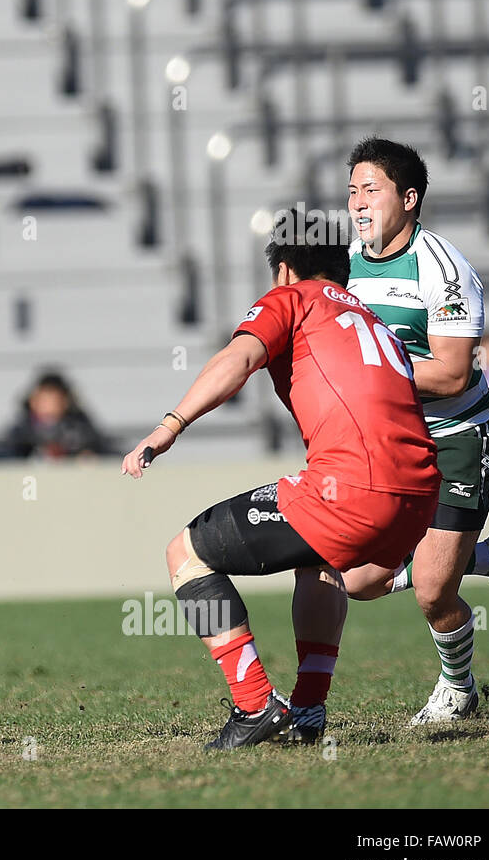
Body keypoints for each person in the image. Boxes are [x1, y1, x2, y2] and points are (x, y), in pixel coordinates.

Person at [122, 208, 439, 750]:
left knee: (187, 554)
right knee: (316, 561)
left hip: (354, 487)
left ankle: (255, 705)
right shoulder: (372, 320)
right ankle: (310, 710)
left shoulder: (291, 299)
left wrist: (169, 425)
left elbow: (238, 358)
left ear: (285, 270)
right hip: (417, 495)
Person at [335, 138, 489, 728]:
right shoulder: (346, 262)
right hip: (392, 441)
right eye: (351, 191)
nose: (358, 203)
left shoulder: (442, 269)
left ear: (409, 198)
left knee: (430, 593)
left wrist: (370, 374)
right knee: (356, 580)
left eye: (372, 190)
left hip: (460, 438)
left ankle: (459, 687)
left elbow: (449, 375)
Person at [4, 370, 111, 458]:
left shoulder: (80, 428)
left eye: (54, 401)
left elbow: (102, 450)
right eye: (44, 401)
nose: (48, 408)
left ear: (65, 402)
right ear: (33, 402)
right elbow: (7, 456)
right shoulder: (22, 431)